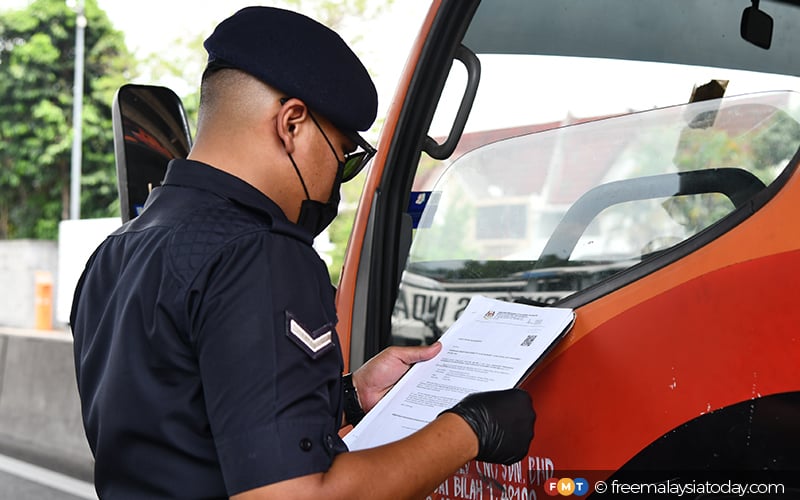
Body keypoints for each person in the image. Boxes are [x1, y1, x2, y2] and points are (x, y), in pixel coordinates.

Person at [70, 6, 535, 499]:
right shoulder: (258, 253)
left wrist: (349, 396)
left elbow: (188, 416)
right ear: (291, 123)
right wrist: (470, 429)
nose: (338, 180)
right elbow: (295, 495)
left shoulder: (115, 254)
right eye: (343, 156)